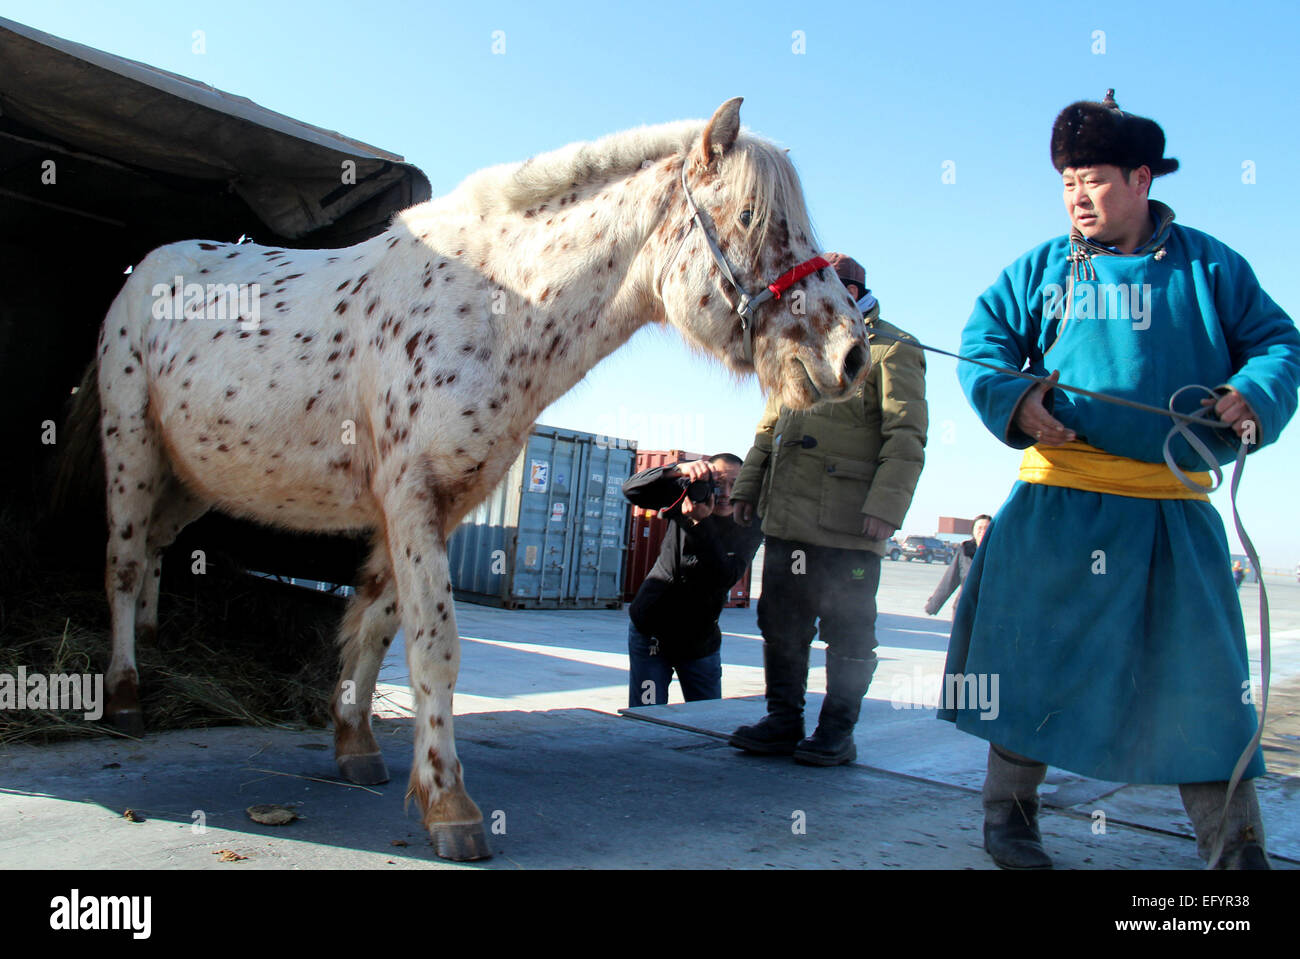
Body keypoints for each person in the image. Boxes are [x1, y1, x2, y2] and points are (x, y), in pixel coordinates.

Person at [941, 91, 1300, 870]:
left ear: (1141, 178)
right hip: (1056, 507)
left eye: (1094, 178)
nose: (1078, 196)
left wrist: (1255, 393)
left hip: (1172, 512)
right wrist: (1018, 397)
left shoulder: (1211, 265)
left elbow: (1279, 342)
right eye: (1068, 181)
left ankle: (1236, 849)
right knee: (1026, 664)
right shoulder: (1042, 267)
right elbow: (984, 343)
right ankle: (1009, 819)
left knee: (1205, 682)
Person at [729, 252, 928, 765]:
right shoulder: (796, 343)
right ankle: (782, 721)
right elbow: (770, 428)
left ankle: (838, 731)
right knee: (781, 623)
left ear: (853, 290)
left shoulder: (892, 348)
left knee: (849, 628)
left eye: (828, 287)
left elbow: (906, 436)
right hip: (788, 518)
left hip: (849, 523)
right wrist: (747, 489)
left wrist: (887, 506)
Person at [623, 454, 761, 707]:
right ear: (706, 480)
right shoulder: (687, 494)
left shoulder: (749, 522)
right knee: (647, 713)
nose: (725, 493)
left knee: (706, 715)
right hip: (652, 632)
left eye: (734, 485)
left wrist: (700, 523)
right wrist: (676, 470)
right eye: (717, 484)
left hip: (700, 640)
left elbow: (725, 576)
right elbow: (631, 489)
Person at [924, 514, 991, 615]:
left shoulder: (1000, 552)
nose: (982, 532)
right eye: (979, 528)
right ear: (973, 530)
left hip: (989, 610)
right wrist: (933, 605)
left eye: (986, 528)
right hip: (964, 608)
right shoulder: (965, 551)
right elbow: (950, 579)